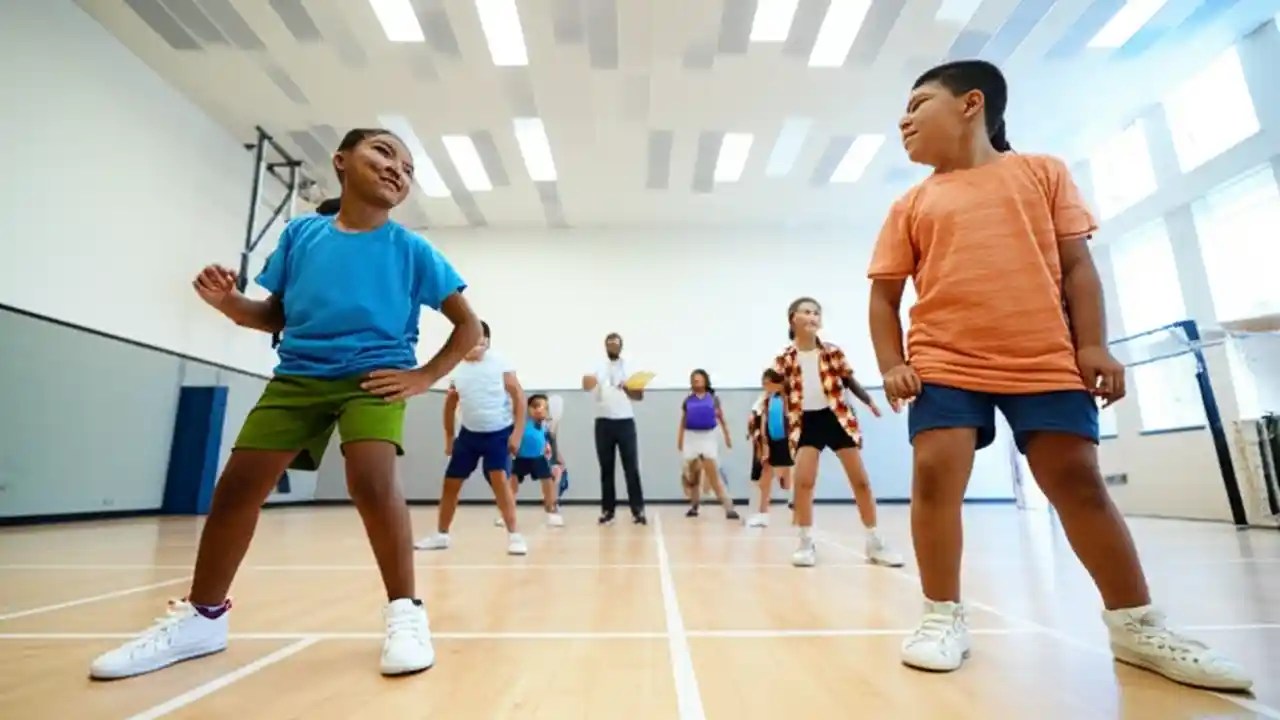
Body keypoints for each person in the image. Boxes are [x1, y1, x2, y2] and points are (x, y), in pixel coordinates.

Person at [867, 59, 1252, 690]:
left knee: (1077, 479)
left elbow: (1077, 268)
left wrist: (1091, 345)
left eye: (916, 104)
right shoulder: (912, 203)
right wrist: (893, 364)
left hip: (1043, 354)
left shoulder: (1042, 174)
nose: (903, 120)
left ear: (970, 104)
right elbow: (884, 298)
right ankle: (941, 615)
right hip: (944, 358)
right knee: (936, 473)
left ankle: (1136, 625)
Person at [89, 128, 482, 680]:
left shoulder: (412, 250)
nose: (399, 169)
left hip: (373, 377)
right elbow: (274, 316)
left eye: (409, 168)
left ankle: (405, 612)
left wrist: (423, 377)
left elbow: (467, 326)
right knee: (234, 491)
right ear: (342, 162)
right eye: (384, 153)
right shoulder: (302, 235)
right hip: (297, 377)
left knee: (371, 481)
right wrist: (228, 302)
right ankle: (203, 620)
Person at [771, 297, 904, 569]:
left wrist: (869, 401)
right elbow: (780, 397)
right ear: (793, 319)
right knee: (804, 483)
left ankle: (874, 541)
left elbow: (849, 381)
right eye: (806, 312)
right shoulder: (784, 359)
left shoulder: (832, 352)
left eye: (817, 313)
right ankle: (806, 541)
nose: (813, 316)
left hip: (836, 418)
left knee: (861, 481)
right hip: (806, 423)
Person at [414, 322, 529, 555]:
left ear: (486, 341)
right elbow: (450, 404)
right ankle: (441, 534)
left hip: (498, 432)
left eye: (479, 340)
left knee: (499, 480)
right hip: (469, 435)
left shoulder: (500, 362)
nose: (474, 345)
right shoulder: (457, 367)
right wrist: (449, 437)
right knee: (451, 483)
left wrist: (517, 433)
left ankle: (515, 535)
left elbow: (518, 396)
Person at [582, 333, 646, 525]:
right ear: (605, 346)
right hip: (603, 421)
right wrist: (589, 381)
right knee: (606, 468)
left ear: (621, 346)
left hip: (625, 421)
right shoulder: (597, 365)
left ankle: (638, 510)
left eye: (616, 343)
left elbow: (639, 396)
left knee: (631, 467)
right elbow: (586, 385)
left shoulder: (629, 366)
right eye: (609, 343)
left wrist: (627, 388)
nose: (612, 346)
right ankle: (608, 510)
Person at [678, 369, 739, 520]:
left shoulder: (713, 399)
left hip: (708, 438)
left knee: (714, 475)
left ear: (705, 381)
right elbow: (683, 421)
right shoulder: (688, 401)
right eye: (694, 379)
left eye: (699, 378)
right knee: (693, 476)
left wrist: (727, 437)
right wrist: (680, 439)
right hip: (691, 438)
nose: (696, 381)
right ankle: (694, 506)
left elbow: (721, 418)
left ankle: (728, 507)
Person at [745, 368, 793, 528]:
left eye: (768, 383)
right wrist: (764, 440)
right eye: (763, 383)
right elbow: (764, 418)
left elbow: (791, 418)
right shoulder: (768, 399)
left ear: (778, 383)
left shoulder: (787, 398)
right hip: (773, 441)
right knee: (765, 478)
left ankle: (797, 506)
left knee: (786, 480)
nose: (765, 386)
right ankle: (762, 514)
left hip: (786, 441)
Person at [509, 393, 565, 527]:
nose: (539, 409)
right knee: (511, 485)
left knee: (548, 484)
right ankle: (507, 513)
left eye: (543, 407)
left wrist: (558, 460)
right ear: (527, 408)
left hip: (538, 459)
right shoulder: (519, 422)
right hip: (520, 458)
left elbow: (552, 444)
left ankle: (551, 512)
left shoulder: (545, 426)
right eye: (535, 406)